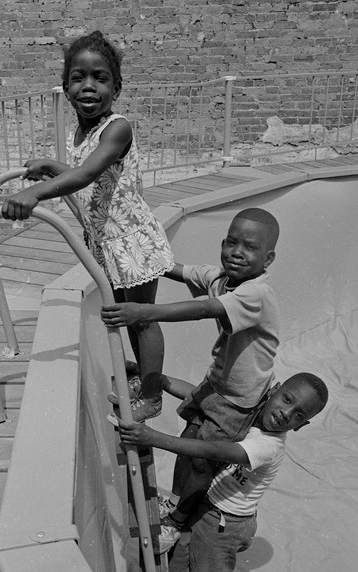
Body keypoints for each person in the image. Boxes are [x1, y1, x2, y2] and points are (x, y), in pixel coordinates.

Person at [1, 30, 175, 421]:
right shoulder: (81, 131)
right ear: (65, 88)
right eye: (78, 78)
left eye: (100, 78)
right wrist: (52, 166)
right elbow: (85, 171)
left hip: (130, 241)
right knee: (126, 315)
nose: (89, 86)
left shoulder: (118, 128)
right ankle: (142, 376)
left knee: (142, 318)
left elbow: (85, 174)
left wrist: (37, 193)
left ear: (117, 87)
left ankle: (152, 394)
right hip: (108, 242)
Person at [118, 371, 329, 572]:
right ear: (276, 389)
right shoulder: (252, 413)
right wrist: (165, 382)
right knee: (179, 567)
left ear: (301, 426)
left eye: (298, 415)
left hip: (226, 525)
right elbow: (207, 404)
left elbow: (212, 449)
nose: (285, 414)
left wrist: (154, 439)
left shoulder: (268, 446)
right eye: (287, 400)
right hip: (207, 506)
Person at [102, 206, 281, 538]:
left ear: (267, 259)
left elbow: (202, 309)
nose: (237, 253)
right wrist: (133, 252)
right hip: (218, 382)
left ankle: (179, 519)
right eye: (231, 243)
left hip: (238, 401)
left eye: (250, 248)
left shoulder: (255, 294)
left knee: (200, 460)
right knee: (188, 441)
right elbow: (174, 269)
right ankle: (174, 501)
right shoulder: (219, 277)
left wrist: (142, 310)